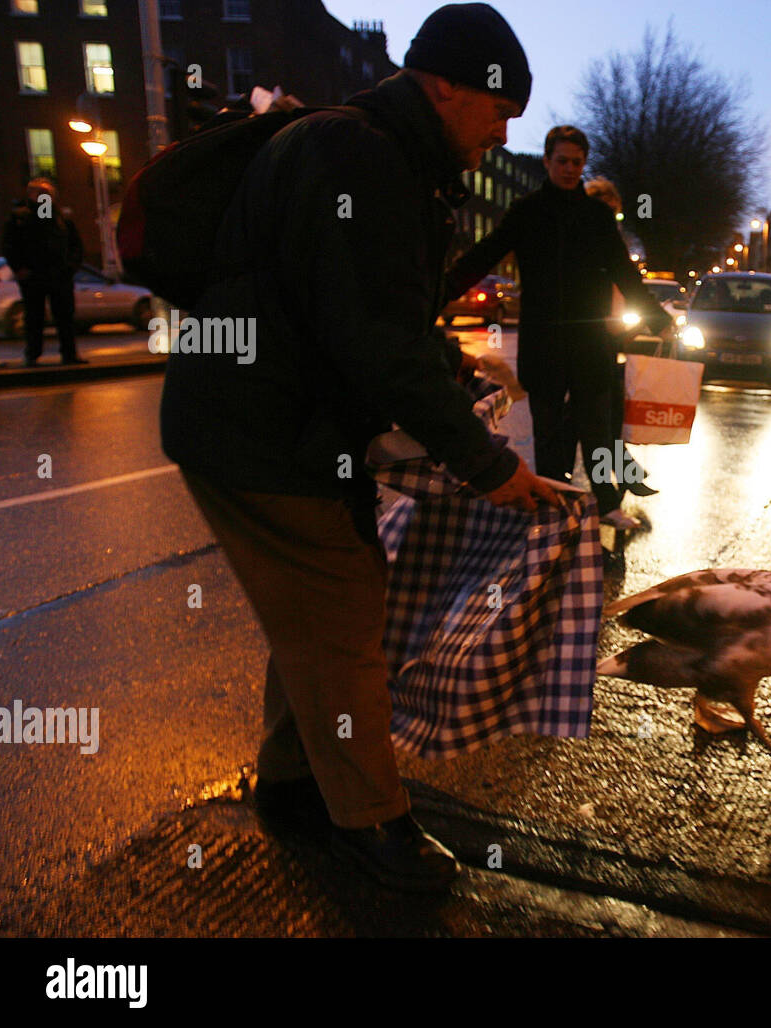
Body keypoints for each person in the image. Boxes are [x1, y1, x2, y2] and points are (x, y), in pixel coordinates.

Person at [160, 2, 559, 892]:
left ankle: (295, 785)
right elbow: (374, 338)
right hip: (259, 428)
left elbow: (367, 317)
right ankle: (372, 825)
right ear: (445, 82)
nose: (501, 132)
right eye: (498, 108)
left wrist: (445, 372)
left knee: (323, 614)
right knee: (342, 621)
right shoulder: (361, 156)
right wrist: (489, 465)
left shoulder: (382, 156)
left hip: (274, 421)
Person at [445, 125, 673, 531]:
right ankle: (554, 511)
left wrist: (657, 317)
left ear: (584, 164)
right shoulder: (526, 211)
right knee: (548, 434)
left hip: (591, 346)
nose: (570, 169)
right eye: (563, 161)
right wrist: (439, 291)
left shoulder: (597, 216)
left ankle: (606, 505)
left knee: (597, 432)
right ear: (547, 161)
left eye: (577, 162)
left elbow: (625, 273)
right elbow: (485, 255)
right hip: (544, 345)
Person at [583, 176, 657, 499]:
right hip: (588, 344)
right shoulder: (585, 248)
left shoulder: (614, 245)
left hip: (609, 342)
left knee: (609, 420)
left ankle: (620, 481)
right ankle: (611, 492)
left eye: (613, 214)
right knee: (597, 425)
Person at [1, 178, 84, 367]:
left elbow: (75, 245)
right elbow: (10, 245)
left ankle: (67, 354)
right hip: (35, 275)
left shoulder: (60, 218)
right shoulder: (22, 218)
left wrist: (70, 267)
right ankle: (33, 354)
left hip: (57, 274)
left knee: (63, 316)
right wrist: (21, 268)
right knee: (35, 316)